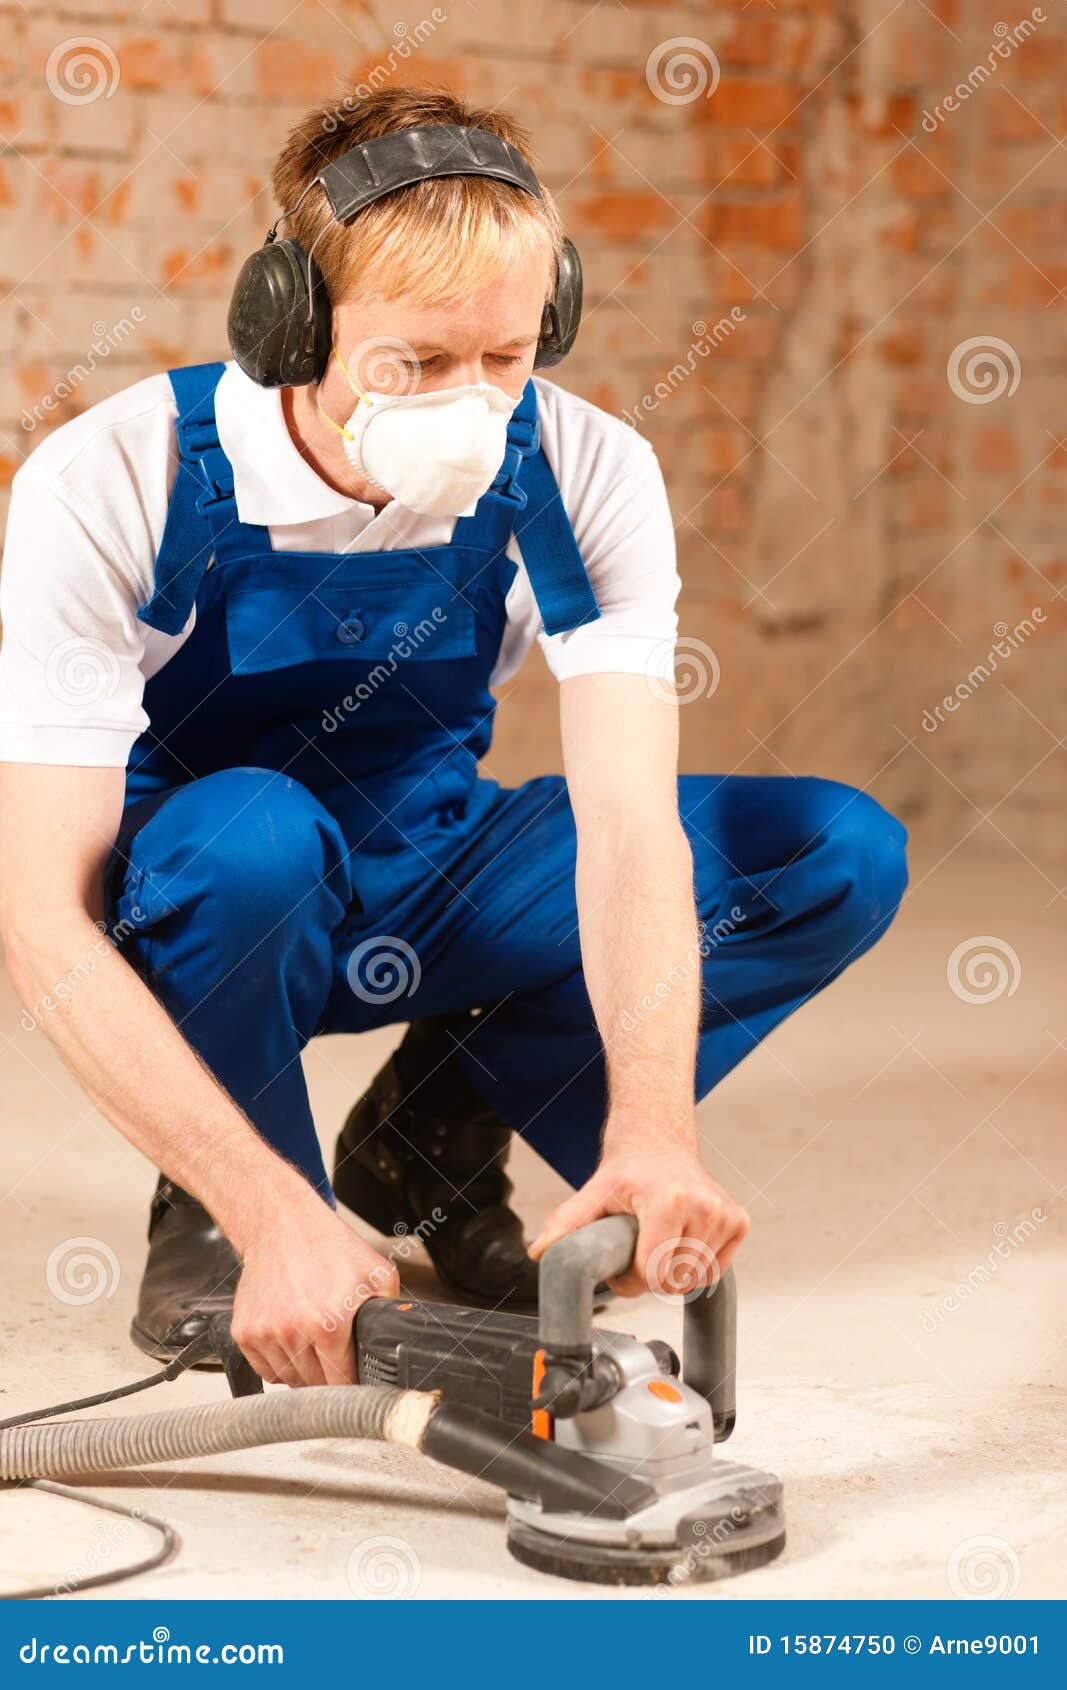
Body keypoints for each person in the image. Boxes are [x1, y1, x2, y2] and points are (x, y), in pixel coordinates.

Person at [0, 88, 907, 1389]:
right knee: (248, 839)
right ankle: (227, 1200)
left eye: (506, 357)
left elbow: (628, 827)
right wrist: (272, 1218)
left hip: (426, 863)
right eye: (415, 363)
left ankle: (432, 1135)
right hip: (208, 905)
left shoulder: (581, 472)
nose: (471, 408)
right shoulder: (122, 479)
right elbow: (41, 918)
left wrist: (654, 1131)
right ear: (290, 324)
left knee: (829, 851)